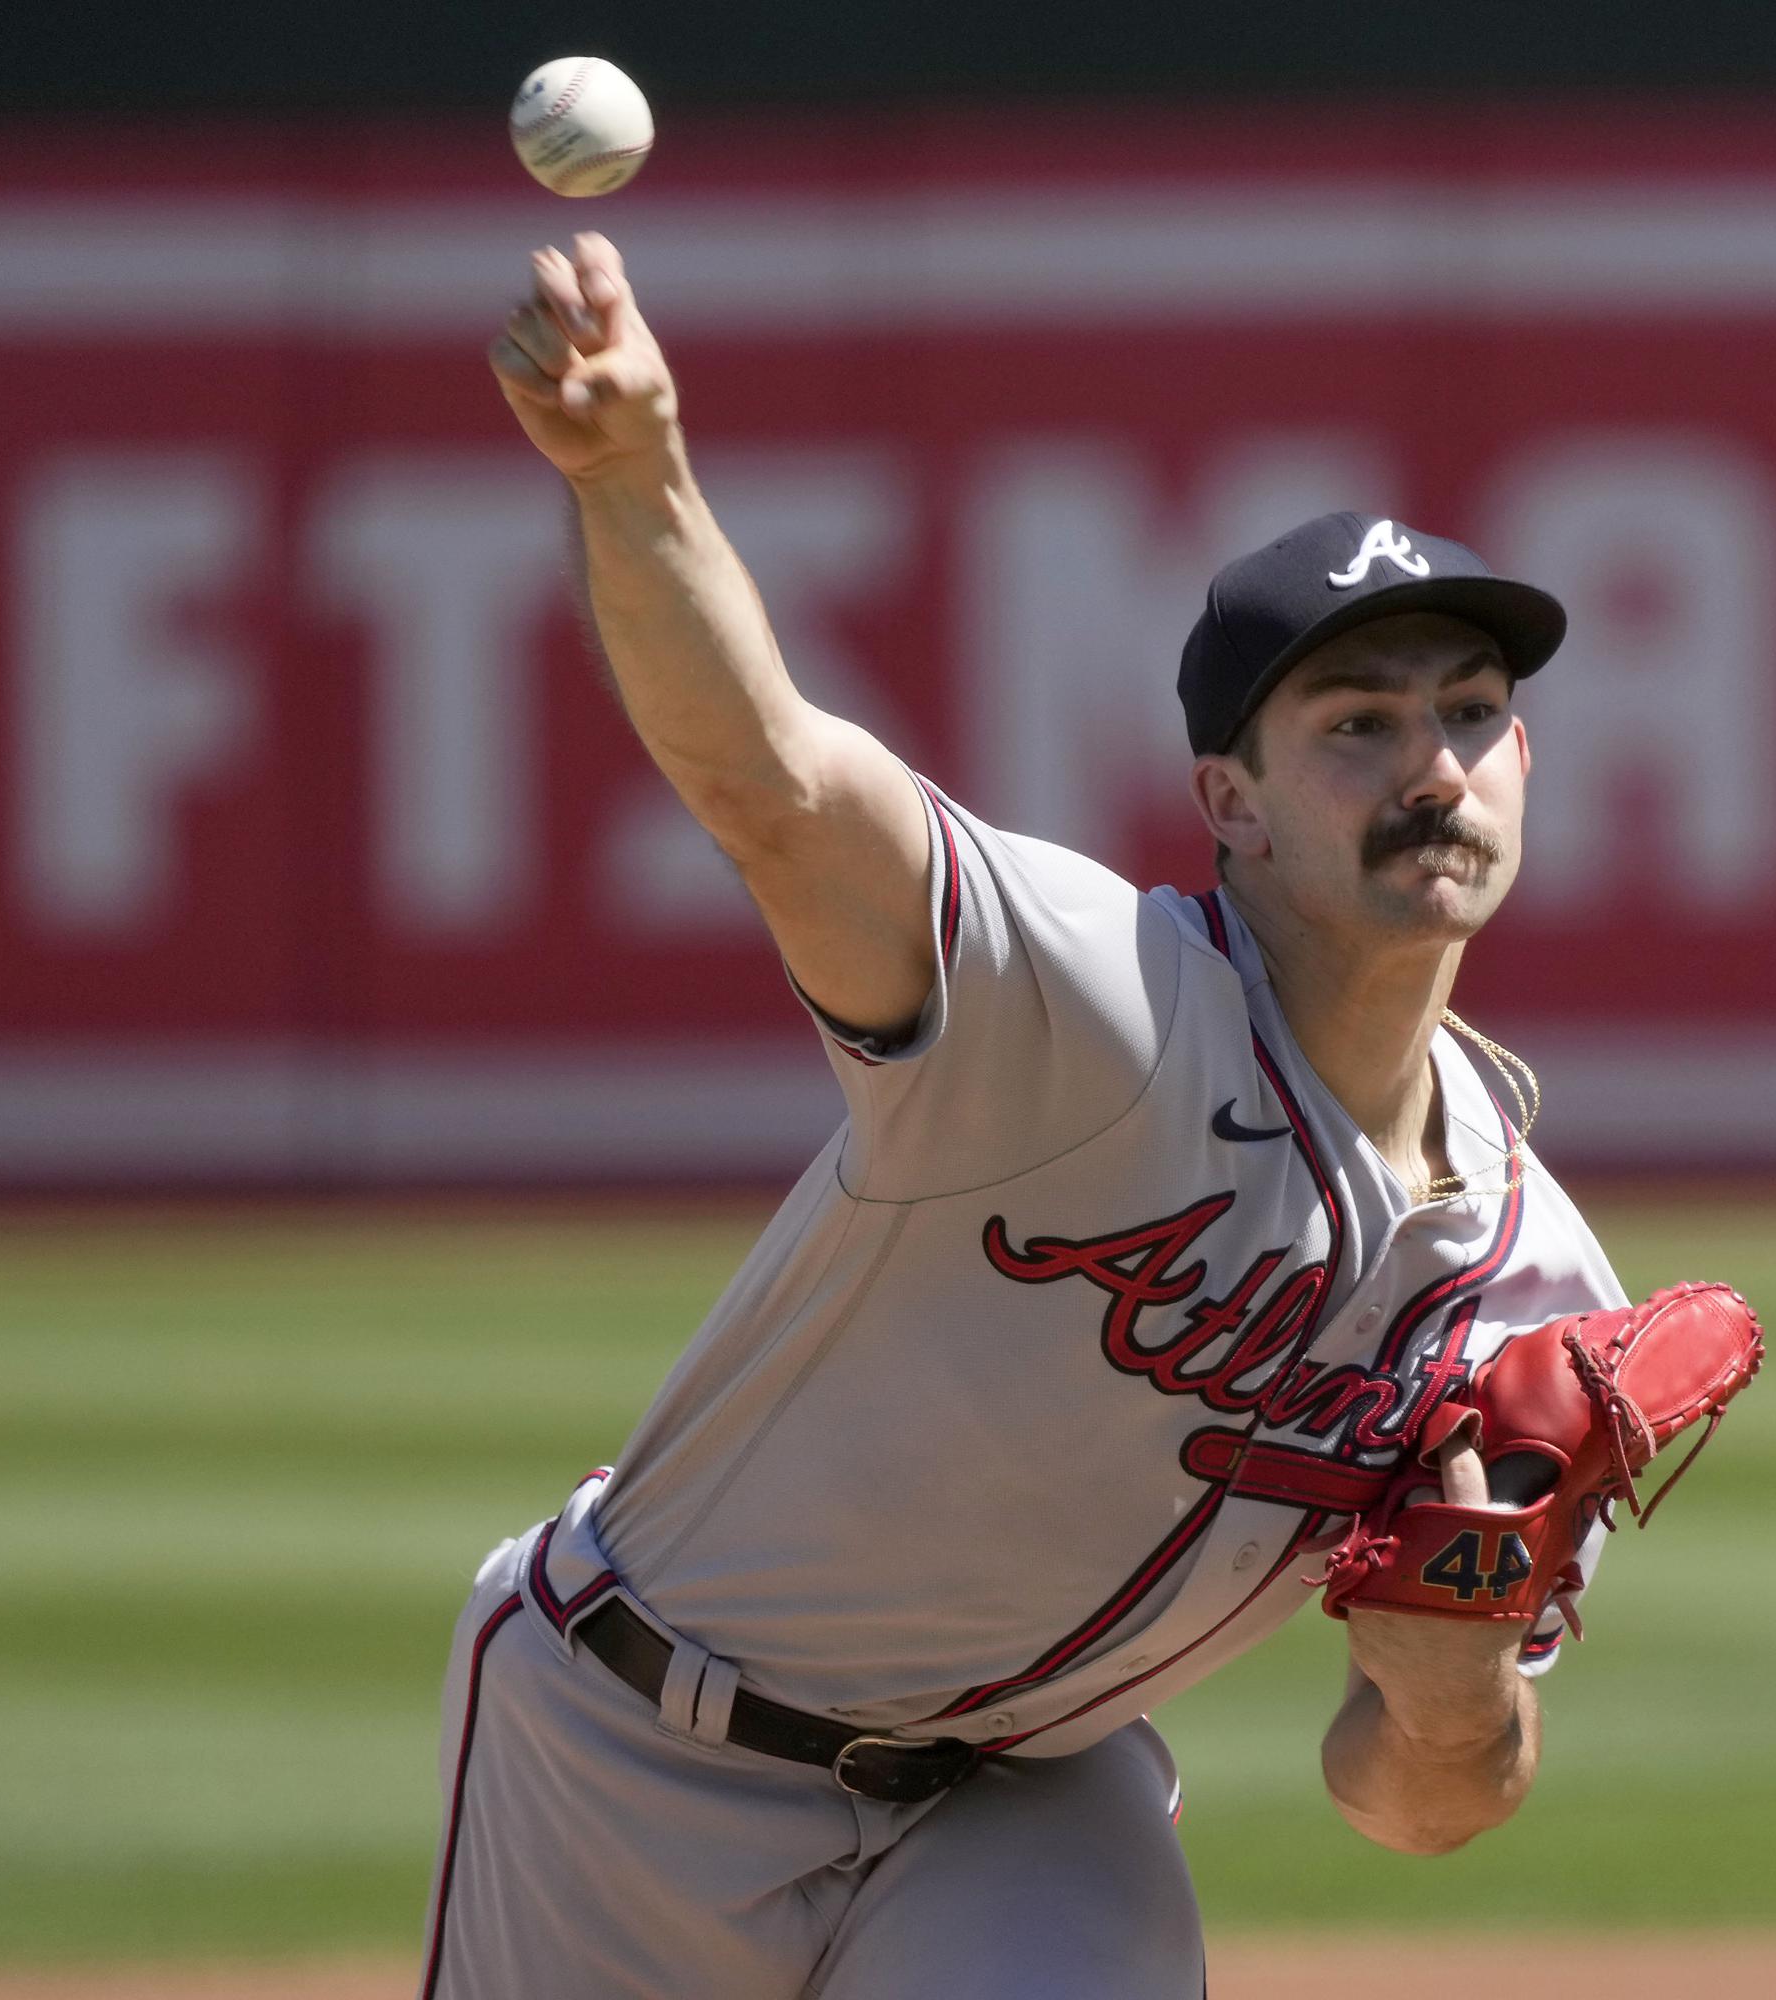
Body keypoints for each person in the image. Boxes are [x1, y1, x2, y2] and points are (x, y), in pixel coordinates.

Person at [423, 230, 1628, 2000]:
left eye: (1472, 713)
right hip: (636, 1743)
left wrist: (1453, 1698)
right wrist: (637, 478)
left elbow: (1417, 1807)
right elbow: (772, 784)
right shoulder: (1087, 1001)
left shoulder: (1537, 1298)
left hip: (1026, 1801)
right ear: (1231, 803)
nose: (1434, 765)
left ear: (1526, 764)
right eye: (1357, 726)